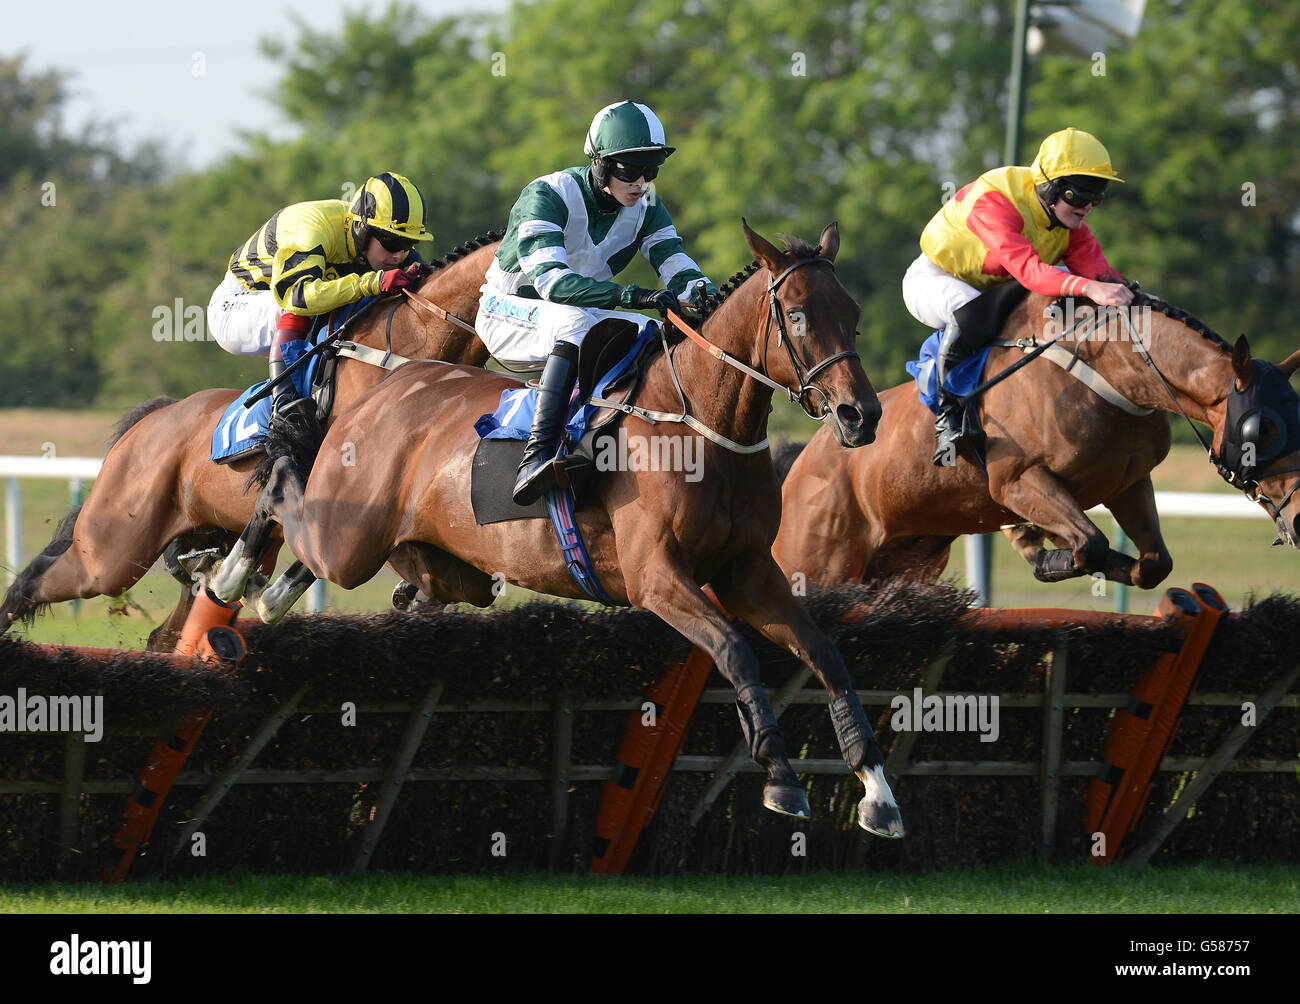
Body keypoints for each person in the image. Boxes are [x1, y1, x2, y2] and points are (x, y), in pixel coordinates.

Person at [475, 100, 720, 505]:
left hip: (577, 316)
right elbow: (553, 284)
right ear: (600, 162)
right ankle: (536, 455)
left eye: (651, 170)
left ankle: (604, 445)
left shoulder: (648, 207)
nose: (641, 182)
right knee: (573, 322)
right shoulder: (546, 194)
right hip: (508, 311)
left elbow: (678, 267)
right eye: (629, 170)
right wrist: (633, 296)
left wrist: (706, 295)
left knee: (652, 332)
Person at [902, 127, 1133, 463]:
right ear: (1050, 186)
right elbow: (1030, 272)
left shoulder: (1070, 226)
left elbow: (1102, 277)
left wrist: (1136, 299)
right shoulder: (995, 200)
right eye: (1079, 196)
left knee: (1076, 300)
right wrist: (1090, 287)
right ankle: (948, 419)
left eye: (1096, 198)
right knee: (971, 308)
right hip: (935, 279)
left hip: (995, 289)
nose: (1087, 208)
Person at [206, 172, 433, 414]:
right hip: (237, 305)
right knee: (306, 306)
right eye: (392, 243)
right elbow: (297, 296)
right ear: (361, 227)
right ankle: (284, 411)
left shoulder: (381, 237)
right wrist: (370, 283)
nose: (399, 255)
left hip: (293, 303)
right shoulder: (312, 226)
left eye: (408, 245)